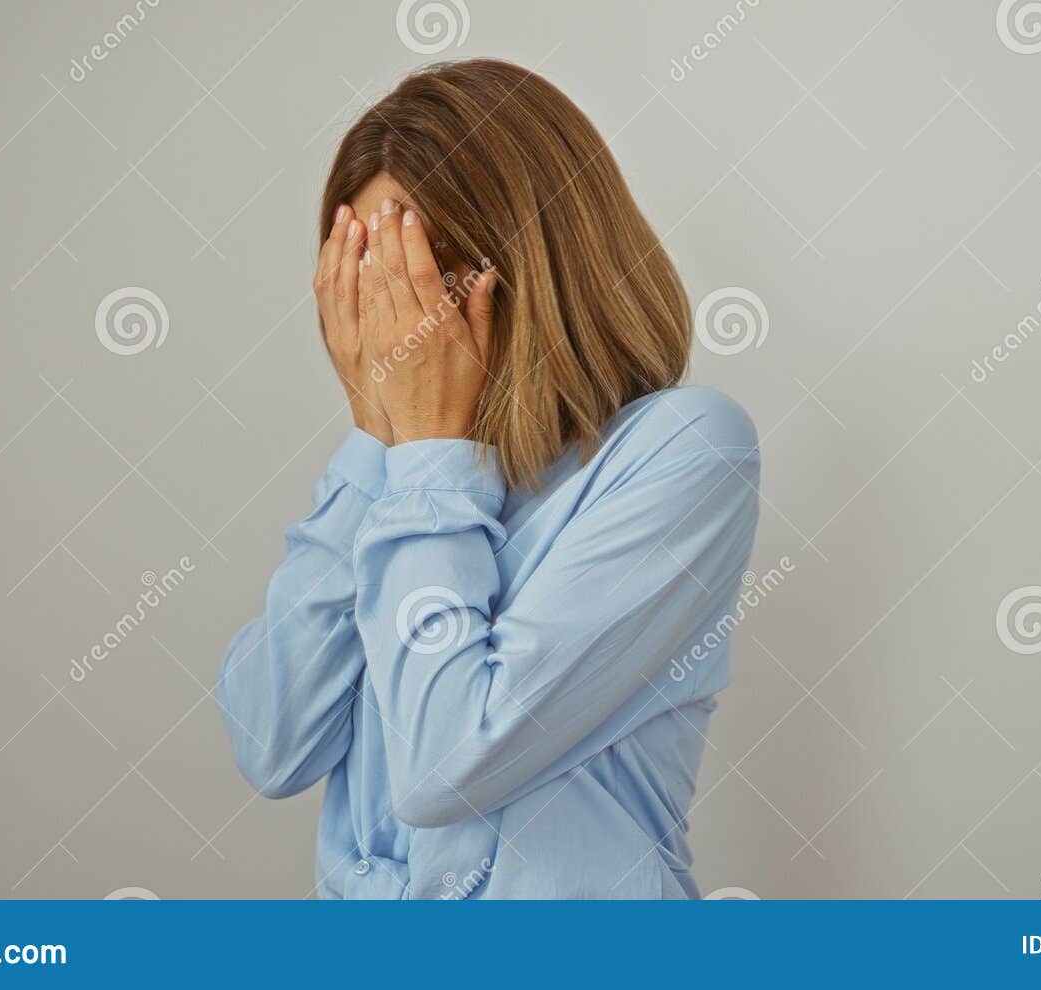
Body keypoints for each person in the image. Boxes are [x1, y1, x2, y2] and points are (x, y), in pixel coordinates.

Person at [216, 58, 760, 899]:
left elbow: (447, 768)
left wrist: (427, 449)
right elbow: (272, 743)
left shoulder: (685, 450)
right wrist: (375, 434)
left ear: (533, 262)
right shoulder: (401, 479)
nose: (396, 315)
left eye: (421, 272)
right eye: (371, 274)